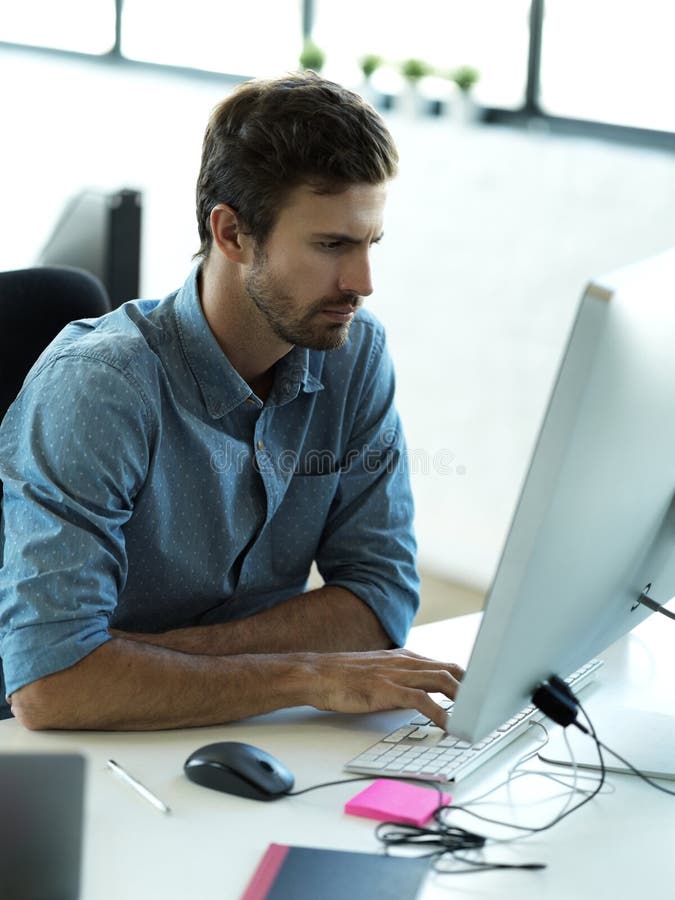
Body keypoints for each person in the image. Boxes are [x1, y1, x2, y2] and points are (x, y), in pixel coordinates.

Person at [0, 72, 461, 731]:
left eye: (368, 243)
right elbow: (52, 688)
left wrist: (131, 666)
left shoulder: (352, 354)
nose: (361, 282)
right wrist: (304, 671)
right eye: (330, 245)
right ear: (232, 234)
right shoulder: (101, 386)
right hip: (69, 753)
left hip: (240, 728)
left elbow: (379, 600)